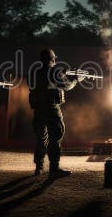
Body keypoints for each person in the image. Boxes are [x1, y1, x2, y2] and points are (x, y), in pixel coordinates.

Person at [29, 48, 78, 176]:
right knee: (55, 137)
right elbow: (66, 85)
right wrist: (76, 79)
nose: (55, 60)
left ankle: (39, 167)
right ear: (52, 59)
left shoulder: (35, 73)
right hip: (51, 109)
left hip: (38, 110)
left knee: (41, 139)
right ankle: (54, 168)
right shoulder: (53, 71)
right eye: (54, 58)